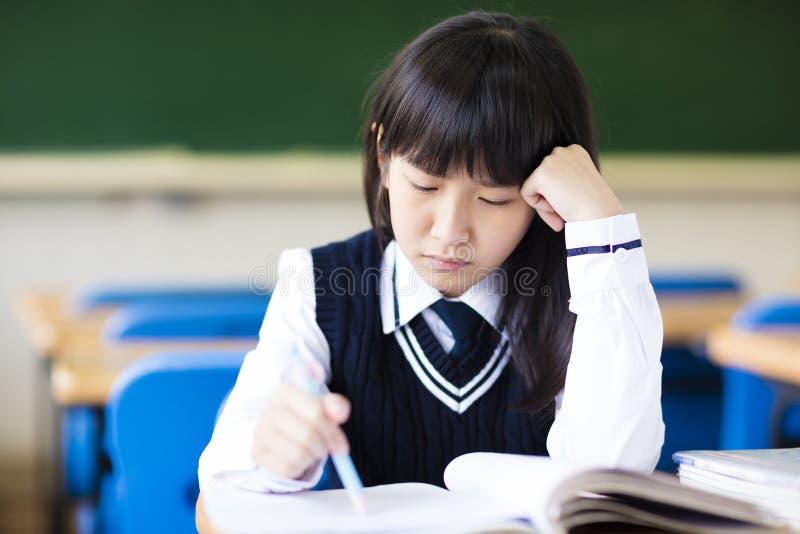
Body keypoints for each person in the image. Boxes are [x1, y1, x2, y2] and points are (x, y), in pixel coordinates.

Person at [198, 11, 664, 492]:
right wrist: (272, 449)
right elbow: (225, 466)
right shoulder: (318, 287)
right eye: (424, 185)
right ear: (383, 157)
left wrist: (601, 224)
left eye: (493, 200)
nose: (450, 233)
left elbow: (612, 477)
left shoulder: (586, 299)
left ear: (541, 196)